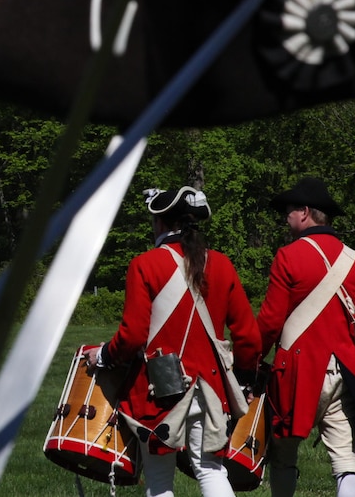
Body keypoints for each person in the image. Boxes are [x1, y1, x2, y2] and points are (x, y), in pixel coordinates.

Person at [87, 186, 260, 497]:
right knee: (210, 470)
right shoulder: (221, 264)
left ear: (160, 223)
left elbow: (132, 336)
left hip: (159, 390)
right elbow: (249, 336)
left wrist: (103, 356)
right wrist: (245, 382)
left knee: (158, 479)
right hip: (210, 389)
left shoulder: (145, 264)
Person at [256, 176, 355, 497]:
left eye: (290, 211)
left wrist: (250, 360)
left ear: (305, 212)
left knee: (282, 455)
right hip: (346, 372)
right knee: (347, 460)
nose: (286, 216)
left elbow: (270, 320)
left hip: (298, 372)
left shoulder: (288, 256)